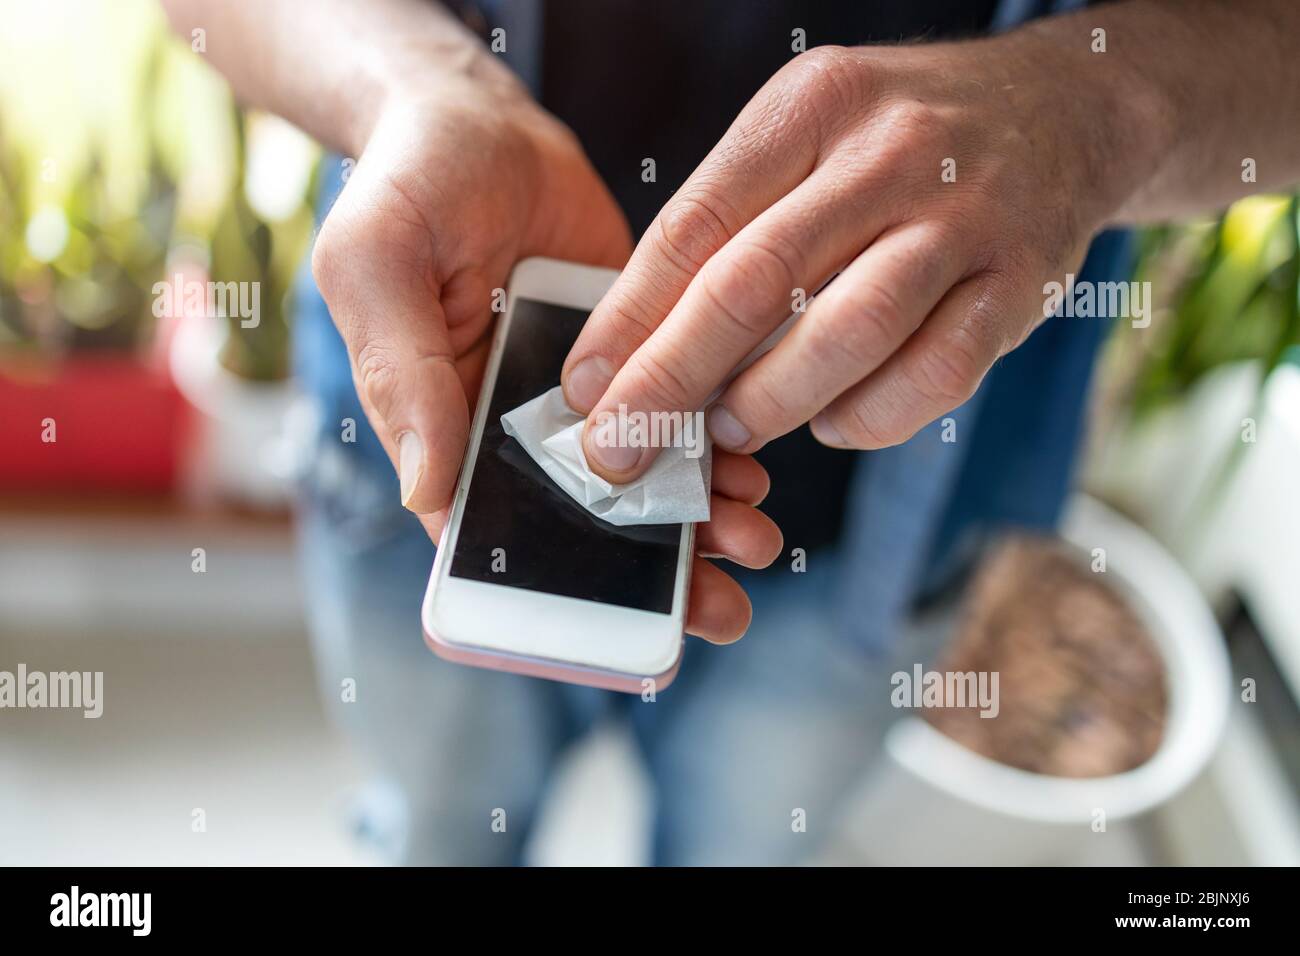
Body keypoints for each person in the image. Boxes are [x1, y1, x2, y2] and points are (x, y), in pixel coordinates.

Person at [161, 0, 1300, 864]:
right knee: (437, 833)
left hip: (882, 520)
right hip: (442, 406)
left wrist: (1093, 112)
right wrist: (416, 84)